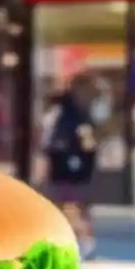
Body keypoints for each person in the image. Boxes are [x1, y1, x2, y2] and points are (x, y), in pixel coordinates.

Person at [45, 78, 99, 259]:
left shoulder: (71, 118)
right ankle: (81, 241)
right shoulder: (72, 118)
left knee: (71, 206)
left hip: (70, 170)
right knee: (71, 206)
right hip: (71, 168)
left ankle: (84, 242)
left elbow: (87, 144)